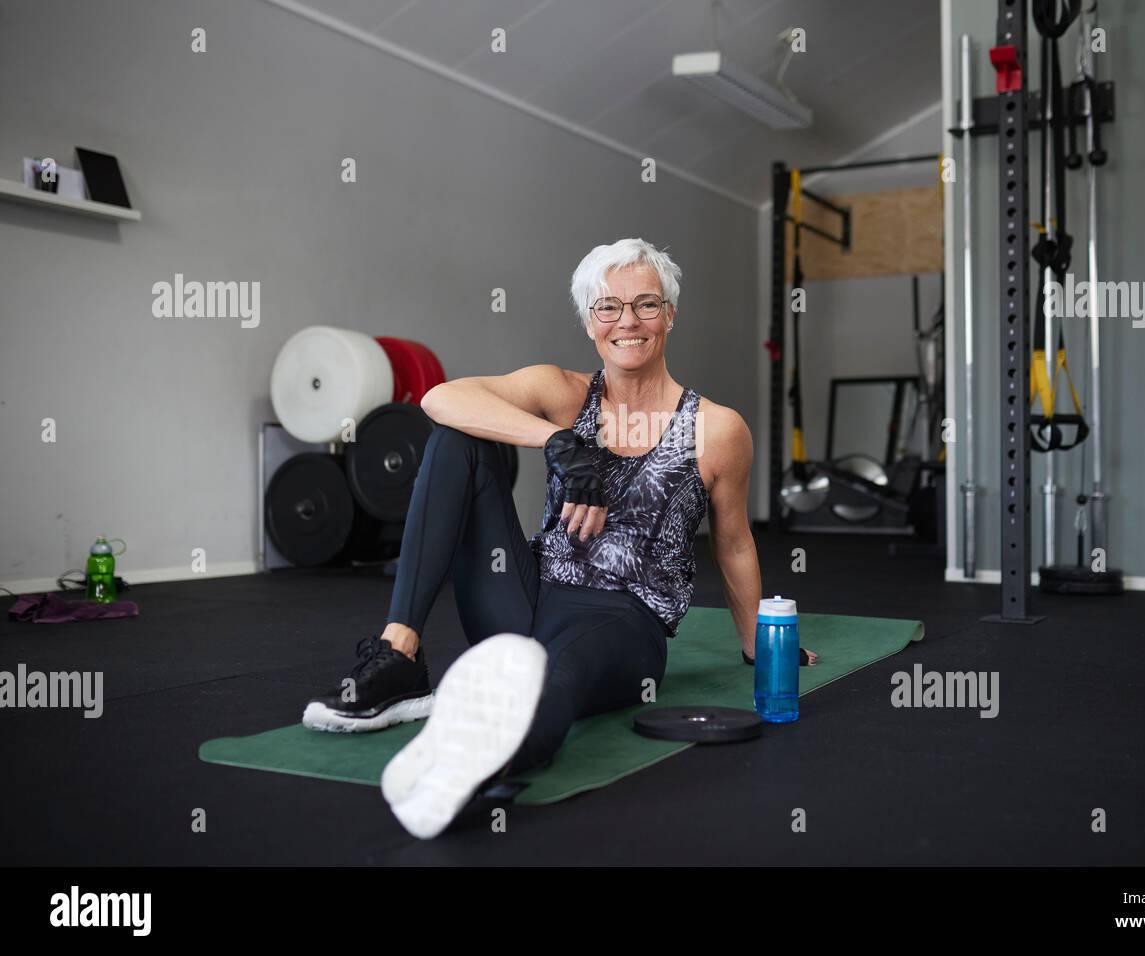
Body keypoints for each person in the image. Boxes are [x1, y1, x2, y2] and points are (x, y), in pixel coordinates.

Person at [302, 237, 815, 839]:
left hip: (623, 620)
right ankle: (401, 652)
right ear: (589, 321)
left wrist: (758, 642)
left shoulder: (716, 429)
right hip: (525, 592)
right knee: (457, 435)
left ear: (670, 316)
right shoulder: (563, 393)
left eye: (646, 305)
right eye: (608, 307)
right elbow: (440, 398)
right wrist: (560, 443)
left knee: (553, 678)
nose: (628, 320)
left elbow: (732, 541)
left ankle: (475, 774)